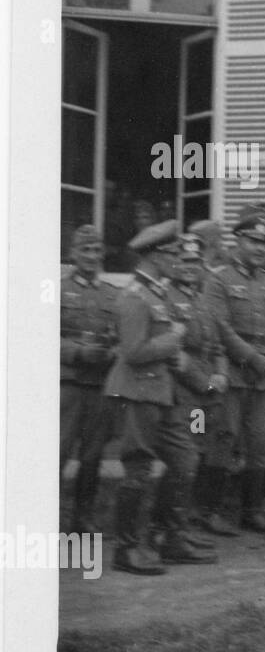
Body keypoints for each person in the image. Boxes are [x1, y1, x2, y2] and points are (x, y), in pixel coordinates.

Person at [102, 221, 191, 574]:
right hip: (136, 392)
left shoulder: (157, 293)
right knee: (137, 468)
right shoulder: (135, 296)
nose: (176, 259)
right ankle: (126, 550)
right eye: (171, 253)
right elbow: (134, 351)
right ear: (154, 256)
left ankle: (162, 537)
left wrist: (173, 350)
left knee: (184, 461)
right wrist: (173, 341)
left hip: (159, 392)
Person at [204, 212, 265, 534]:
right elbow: (219, 327)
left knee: (261, 443)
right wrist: (252, 357)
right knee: (223, 438)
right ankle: (210, 511)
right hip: (234, 370)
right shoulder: (219, 279)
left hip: (264, 373)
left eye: (264, 242)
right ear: (238, 240)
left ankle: (252, 510)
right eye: (253, 240)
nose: (259, 247)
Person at [153, 232, 227, 561]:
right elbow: (176, 357)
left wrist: (222, 374)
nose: (189, 267)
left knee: (192, 458)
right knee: (183, 462)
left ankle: (172, 530)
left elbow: (218, 344)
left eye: (195, 261)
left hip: (204, 396)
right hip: (179, 393)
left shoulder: (203, 300)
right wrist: (206, 382)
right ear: (173, 263)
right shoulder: (164, 298)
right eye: (183, 260)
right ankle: (170, 535)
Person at [59, 225, 119, 533]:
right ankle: (49, 518)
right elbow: (41, 336)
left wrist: (110, 353)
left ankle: (83, 517)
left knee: (93, 455)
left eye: (96, 251)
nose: (91, 256)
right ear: (72, 253)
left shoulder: (113, 294)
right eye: (85, 250)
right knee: (57, 451)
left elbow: (123, 339)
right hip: (67, 383)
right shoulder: (57, 290)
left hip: (99, 386)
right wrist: (77, 353)